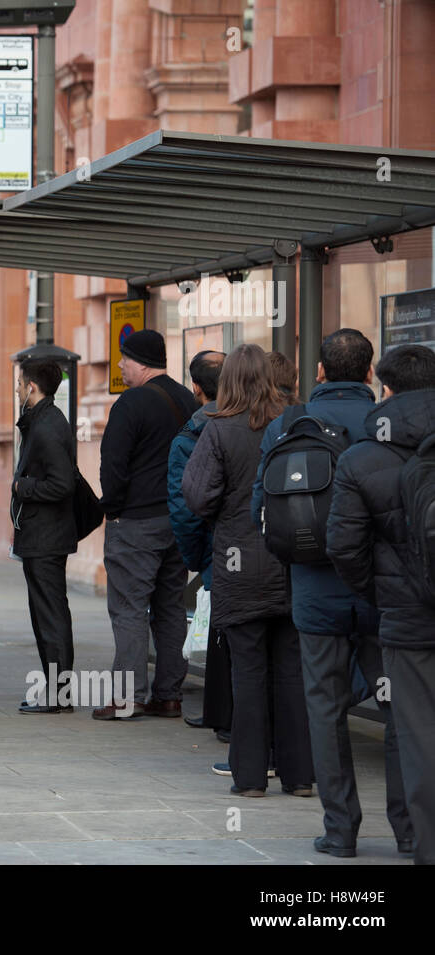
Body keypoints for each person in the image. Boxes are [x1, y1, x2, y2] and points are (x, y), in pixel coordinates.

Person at [252, 330, 412, 858]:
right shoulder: (385, 426)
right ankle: (407, 828)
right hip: (380, 594)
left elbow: (262, 513)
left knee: (323, 708)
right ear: (370, 375)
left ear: (319, 372)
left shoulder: (284, 425)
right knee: (397, 709)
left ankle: (340, 831)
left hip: (313, 594)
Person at [183, 344, 313, 797]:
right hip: (294, 562)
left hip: (240, 565)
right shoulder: (296, 423)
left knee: (249, 672)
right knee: (293, 671)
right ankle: (299, 777)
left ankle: (251, 778)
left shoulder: (219, 430)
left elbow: (197, 497)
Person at [327, 343, 435, 864]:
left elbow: (345, 548)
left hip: (407, 622)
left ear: (384, 387)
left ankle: (422, 843)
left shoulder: (361, 456)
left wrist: (382, 593)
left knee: (416, 737)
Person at [96, 329, 199, 719]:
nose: (120, 365)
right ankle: (168, 695)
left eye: (124, 359)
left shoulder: (130, 403)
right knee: (170, 607)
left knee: (129, 608)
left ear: (139, 362)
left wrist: (113, 508)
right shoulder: (186, 399)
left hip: (136, 521)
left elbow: (114, 465)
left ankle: (127, 697)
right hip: (178, 519)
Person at [6, 359, 78, 713]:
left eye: (20, 384)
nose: (18, 389)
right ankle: (57, 690)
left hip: (46, 536)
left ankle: (59, 694)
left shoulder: (47, 425)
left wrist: (23, 486)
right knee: (48, 612)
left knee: (49, 614)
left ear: (32, 386)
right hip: (42, 534)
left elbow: (62, 484)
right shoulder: (42, 420)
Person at [167, 349, 231, 739]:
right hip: (262, 556)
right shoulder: (267, 422)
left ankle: (225, 719)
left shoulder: (193, 434)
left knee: (229, 637)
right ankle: (224, 715)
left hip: (217, 553)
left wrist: (197, 560)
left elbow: (185, 506)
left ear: (195, 387)